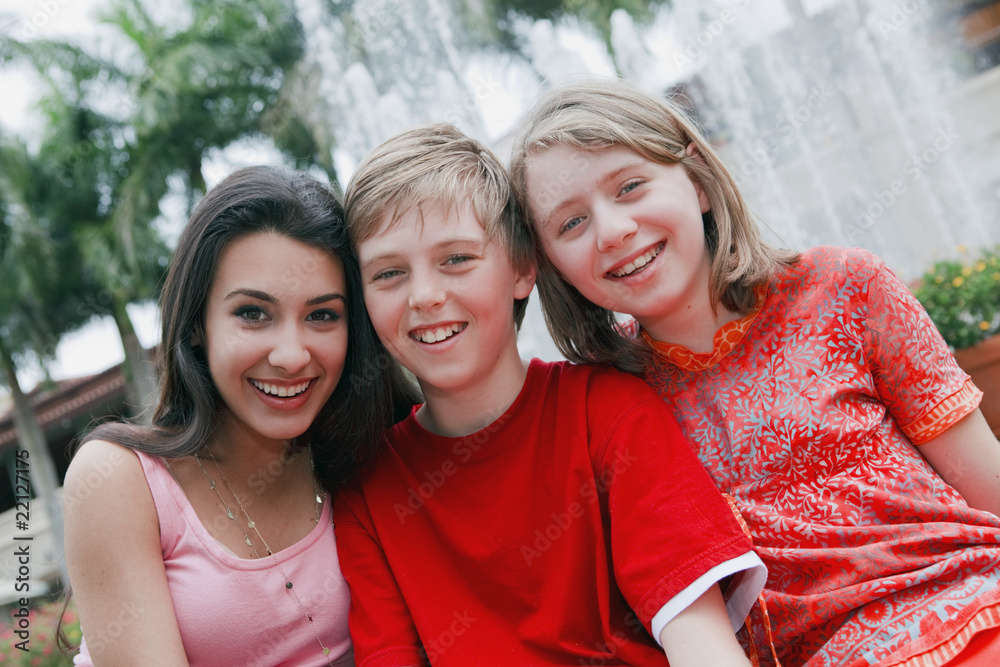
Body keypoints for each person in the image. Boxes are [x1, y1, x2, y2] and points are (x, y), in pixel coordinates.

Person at [507, 78, 1000, 667]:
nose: (613, 231)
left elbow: (989, 489)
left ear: (697, 181)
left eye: (631, 187)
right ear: (550, 265)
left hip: (972, 606)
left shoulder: (845, 288)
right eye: (570, 224)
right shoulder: (603, 405)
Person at [333, 123, 770, 667]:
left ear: (522, 267)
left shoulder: (608, 413)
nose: (424, 295)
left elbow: (700, 641)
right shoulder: (367, 493)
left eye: (457, 259)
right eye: (389, 273)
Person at [62, 166, 413, 666]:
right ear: (196, 324)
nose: (292, 355)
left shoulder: (374, 451)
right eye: (253, 313)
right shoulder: (120, 480)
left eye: (321, 315)